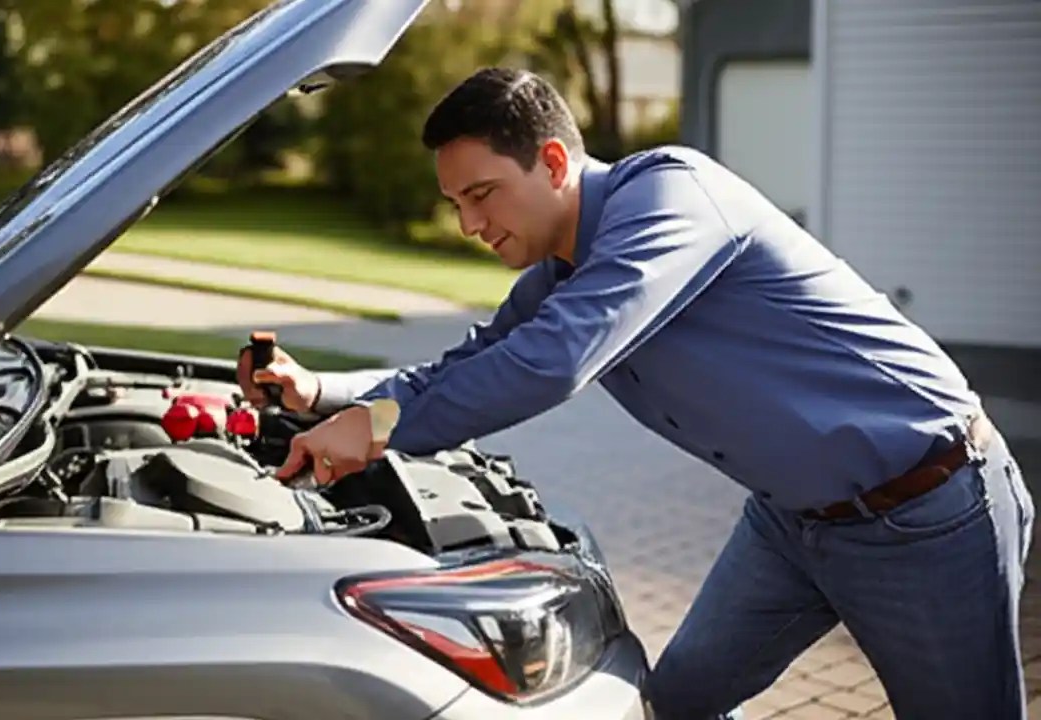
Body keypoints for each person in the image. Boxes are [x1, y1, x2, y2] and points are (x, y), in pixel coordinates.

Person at [234, 67, 1035, 719]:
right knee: (681, 701)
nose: (470, 225)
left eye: (481, 194)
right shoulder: (560, 270)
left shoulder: (672, 199)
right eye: (456, 205)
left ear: (552, 162)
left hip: (926, 508)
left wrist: (375, 430)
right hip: (794, 522)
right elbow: (470, 360)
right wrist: (316, 394)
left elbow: (554, 361)